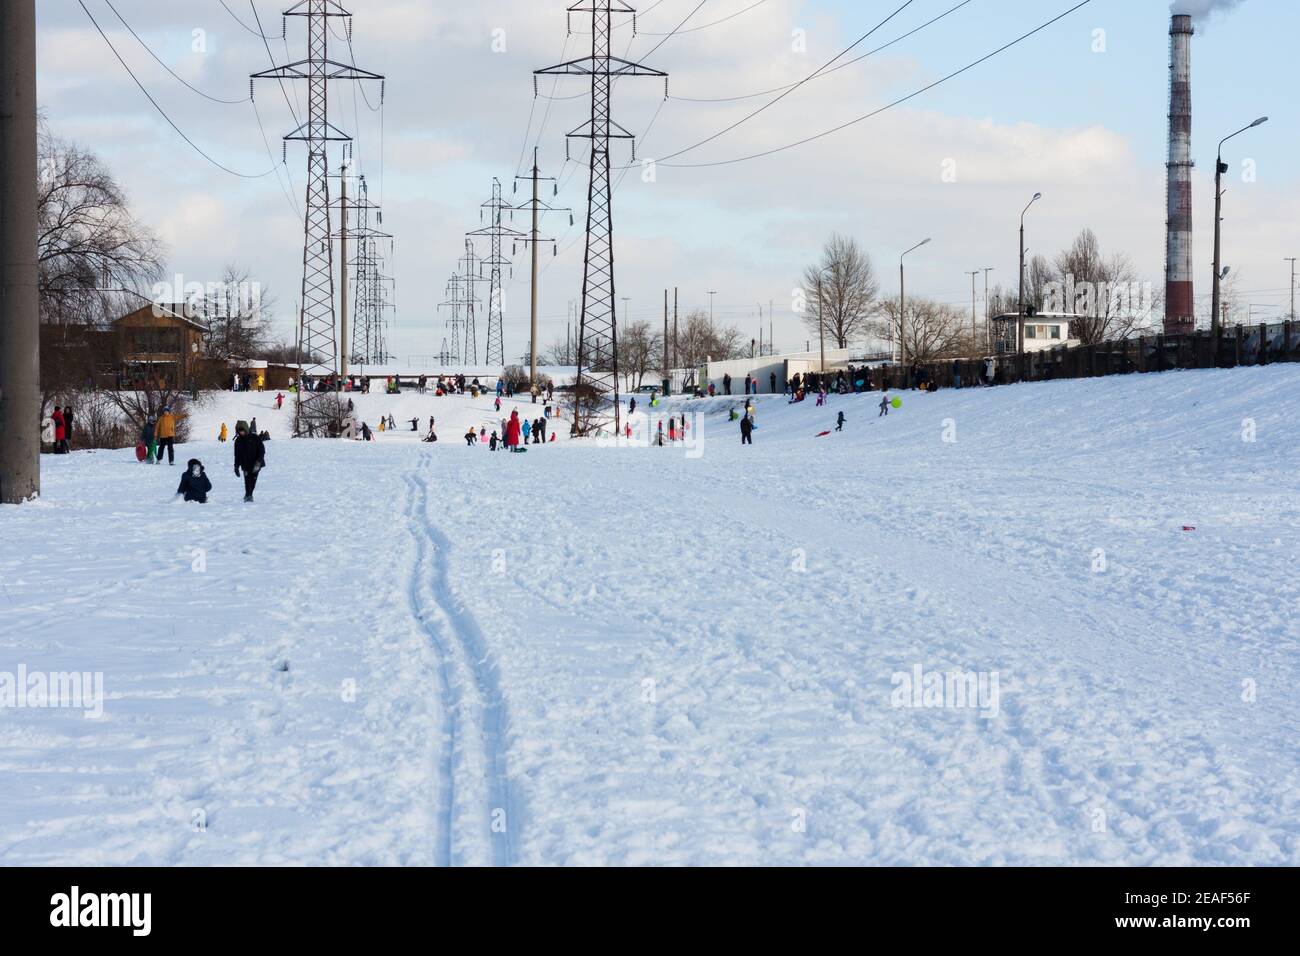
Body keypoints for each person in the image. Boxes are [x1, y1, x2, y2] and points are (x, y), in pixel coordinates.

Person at [233, 421, 265, 503]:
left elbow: (262, 450)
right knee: (247, 481)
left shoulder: (255, 438)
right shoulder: (238, 441)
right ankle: (248, 495)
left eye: (242, 430)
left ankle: (249, 495)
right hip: (245, 464)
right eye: (239, 431)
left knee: (252, 480)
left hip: (256, 464)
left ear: (246, 429)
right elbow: (237, 455)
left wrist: (258, 462)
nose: (241, 432)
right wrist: (236, 467)